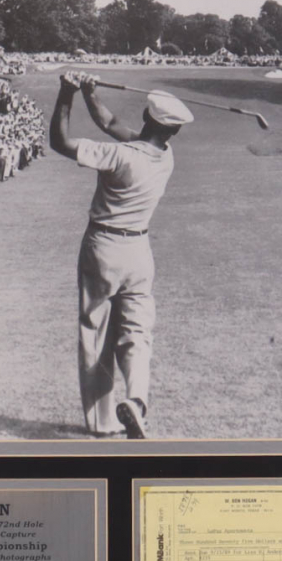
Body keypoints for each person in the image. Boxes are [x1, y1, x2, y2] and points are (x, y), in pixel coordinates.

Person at [49, 72, 193, 439]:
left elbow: (60, 141)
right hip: (139, 252)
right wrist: (90, 92)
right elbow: (110, 122)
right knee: (137, 331)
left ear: (146, 117)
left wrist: (67, 93)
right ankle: (138, 400)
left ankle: (102, 421)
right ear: (173, 131)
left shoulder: (118, 155)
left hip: (103, 248)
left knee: (95, 331)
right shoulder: (167, 156)